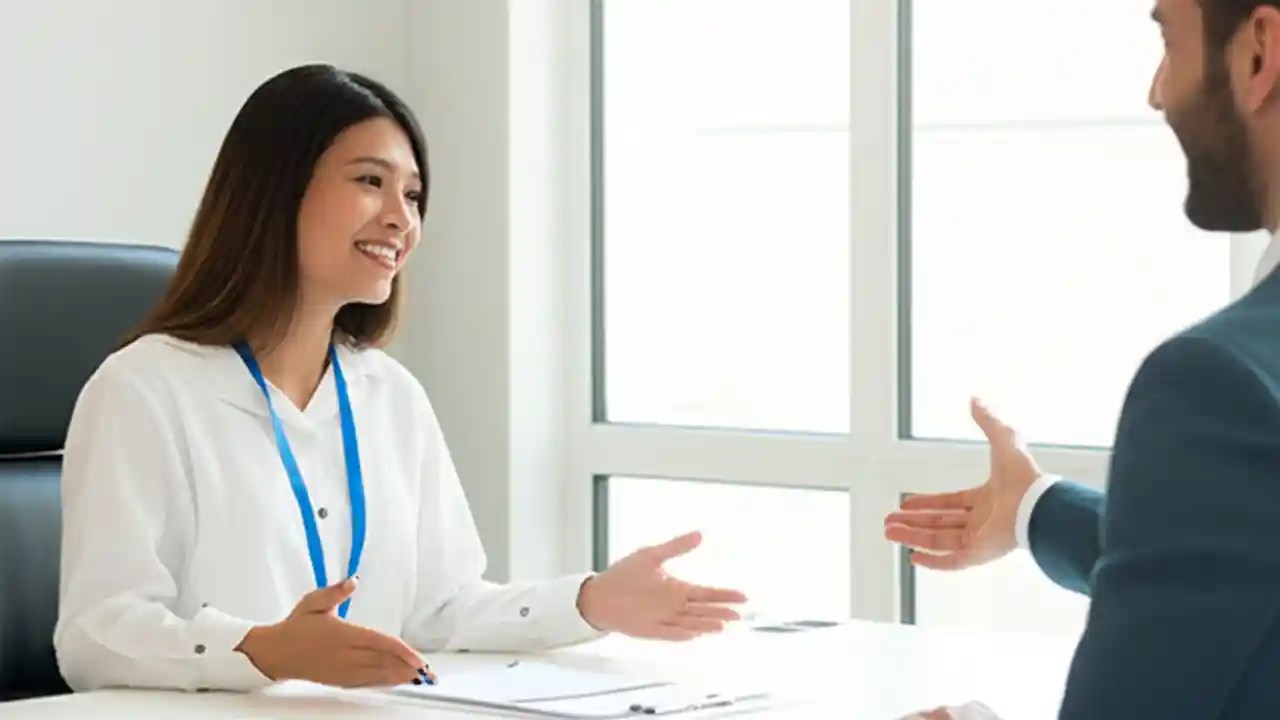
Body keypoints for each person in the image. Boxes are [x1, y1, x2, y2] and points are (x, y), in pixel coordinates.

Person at [53, 64, 746, 693]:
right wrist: (263, 650)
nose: (401, 219)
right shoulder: (144, 390)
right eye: (369, 181)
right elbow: (95, 635)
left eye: (413, 194)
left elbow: (441, 608)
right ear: (277, 188)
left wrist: (591, 600)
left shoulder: (389, 396)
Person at [885, 1, 1280, 717]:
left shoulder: (1215, 383)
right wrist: (1034, 508)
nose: (1158, 91)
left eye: (1169, 40)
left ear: (1260, 52)